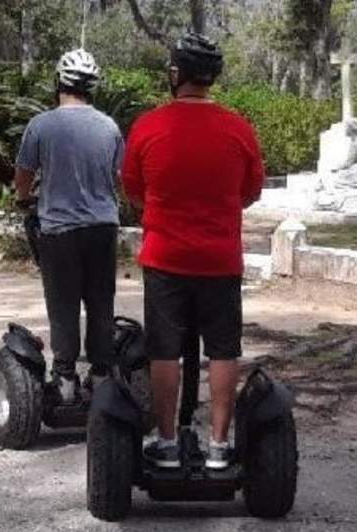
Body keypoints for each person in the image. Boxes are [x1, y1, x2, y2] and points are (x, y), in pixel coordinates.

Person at [122, 33, 265, 470]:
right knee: (223, 350)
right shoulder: (238, 128)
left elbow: (134, 191)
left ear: (175, 74)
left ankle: (167, 442)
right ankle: (219, 445)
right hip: (220, 259)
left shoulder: (149, 126)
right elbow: (251, 192)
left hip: (166, 258)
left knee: (164, 350)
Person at [14, 49, 124, 403]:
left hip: (59, 231)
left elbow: (23, 175)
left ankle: (64, 378)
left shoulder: (41, 125)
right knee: (100, 302)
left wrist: (23, 198)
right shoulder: (109, 126)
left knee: (63, 305)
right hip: (103, 227)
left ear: (58, 82)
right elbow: (119, 177)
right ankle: (102, 374)